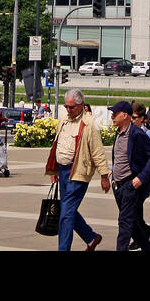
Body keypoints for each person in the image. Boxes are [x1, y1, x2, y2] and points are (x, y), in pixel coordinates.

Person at [45, 90, 111, 251]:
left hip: (78, 173)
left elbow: (97, 151)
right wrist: (54, 171)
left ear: (81, 105)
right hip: (63, 171)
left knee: (66, 215)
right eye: (66, 106)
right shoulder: (63, 121)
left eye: (71, 107)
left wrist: (104, 176)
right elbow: (57, 145)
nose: (68, 110)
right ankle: (91, 237)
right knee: (69, 211)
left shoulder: (89, 124)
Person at [109, 100, 150, 252]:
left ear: (125, 115)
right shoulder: (118, 133)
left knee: (124, 223)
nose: (112, 116)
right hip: (117, 186)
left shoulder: (137, 134)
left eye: (115, 114)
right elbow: (118, 157)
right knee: (134, 224)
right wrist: (112, 178)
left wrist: (140, 178)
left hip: (131, 185)